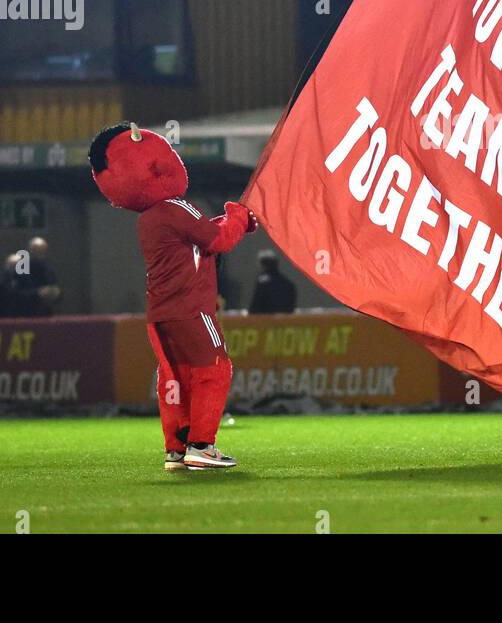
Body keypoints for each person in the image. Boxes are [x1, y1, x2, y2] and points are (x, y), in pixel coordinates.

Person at [89, 122, 258, 471]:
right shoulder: (176, 207)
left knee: (174, 378)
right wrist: (239, 217)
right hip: (192, 309)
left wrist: (230, 221)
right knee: (215, 369)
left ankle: (176, 450)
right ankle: (202, 445)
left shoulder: (150, 218)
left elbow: (196, 238)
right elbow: (217, 240)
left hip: (160, 313)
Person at [15, 236, 62, 316]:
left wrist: (56, 293)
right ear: (30, 251)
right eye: (37, 251)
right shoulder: (22, 269)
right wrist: (38, 293)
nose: (40, 255)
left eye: (42, 252)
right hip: (25, 314)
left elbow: (54, 287)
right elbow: (16, 295)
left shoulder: (47, 269)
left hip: (45, 313)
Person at [249, 250, 297, 314]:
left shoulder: (262, 282)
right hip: (284, 320)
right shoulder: (288, 283)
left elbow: (255, 306)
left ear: (262, 264)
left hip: (266, 320)